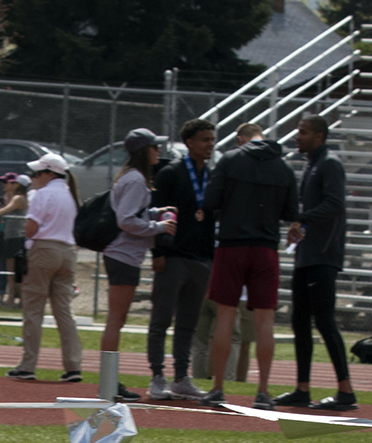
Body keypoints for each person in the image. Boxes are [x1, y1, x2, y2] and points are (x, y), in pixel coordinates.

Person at [199, 122, 297, 408]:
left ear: (241, 139)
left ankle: (218, 387)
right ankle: (263, 392)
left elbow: (211, 200)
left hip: (232, 244)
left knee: (225, 318)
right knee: (264, 321)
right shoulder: (283, 167)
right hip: (266, 247)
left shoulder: (231, 160)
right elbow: (291, 211)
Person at [280, 115, 355, 411]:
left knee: (324, 320)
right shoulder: (311, 165)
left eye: (303, 132)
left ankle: (346, 391)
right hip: (306, 254)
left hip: (323, 255)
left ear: (319, 136)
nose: (297, 136)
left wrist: (304, 219)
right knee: (300, 321)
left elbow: (336, 204)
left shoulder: (329, 164)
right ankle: (302, 388)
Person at [98, 128, 176, 402]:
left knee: (116, 320)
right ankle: (108, 383)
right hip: (123, 255)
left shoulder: (134, 178)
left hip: (123, 255)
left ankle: (109, 382)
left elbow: (132, 213)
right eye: (155, 147)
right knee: (115, 320)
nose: (159, 152)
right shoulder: (135, 179)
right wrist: (159, 226)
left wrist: (155, 214)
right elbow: (126, 220)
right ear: (145, 151)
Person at [144, 118, 216, 401]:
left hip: (200, 258)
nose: (209, 145)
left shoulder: (211, 177)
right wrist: (158, 253)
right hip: (173, 256)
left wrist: (210, 258)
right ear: (189, 143)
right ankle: (157, 376)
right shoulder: (170, 173)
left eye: (212, 139)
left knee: (188, 323)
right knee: (161, 318)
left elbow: (210, 218)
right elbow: (158, 215)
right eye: (204, 140)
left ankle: (182, 377)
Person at [7, 153, 84, 382]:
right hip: (67, 252)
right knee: (64, 312)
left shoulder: (43, 194)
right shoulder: (71, 196)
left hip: (44, 250)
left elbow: (31, 229)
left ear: (50, 173)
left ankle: (28, 365)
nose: (35, 177)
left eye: (38, 173)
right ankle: (73, 366)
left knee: (33, 310)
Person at [0, 172, 28, 308]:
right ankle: (19, 301)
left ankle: (12, 300)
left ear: (17, 185)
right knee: (15, 273)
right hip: (13, 237)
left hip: (14, 238)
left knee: (12, 272)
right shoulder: (19, 197)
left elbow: (6, 210)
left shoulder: (18, 198)